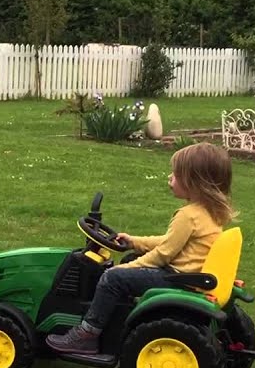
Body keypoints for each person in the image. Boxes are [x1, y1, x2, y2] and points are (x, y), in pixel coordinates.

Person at [47, 142, 238, 355]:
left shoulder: (187, 215)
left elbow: (164, 254)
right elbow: (170, 242)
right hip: (191, 275)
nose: (170, 177)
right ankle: (119, 320)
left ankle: (87, 334)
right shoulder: (210, 212)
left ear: (194, 181)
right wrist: (134, 242)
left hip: (177, 278)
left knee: (112, 278)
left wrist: (126, 268)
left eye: (175, 174)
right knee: (129, 259)